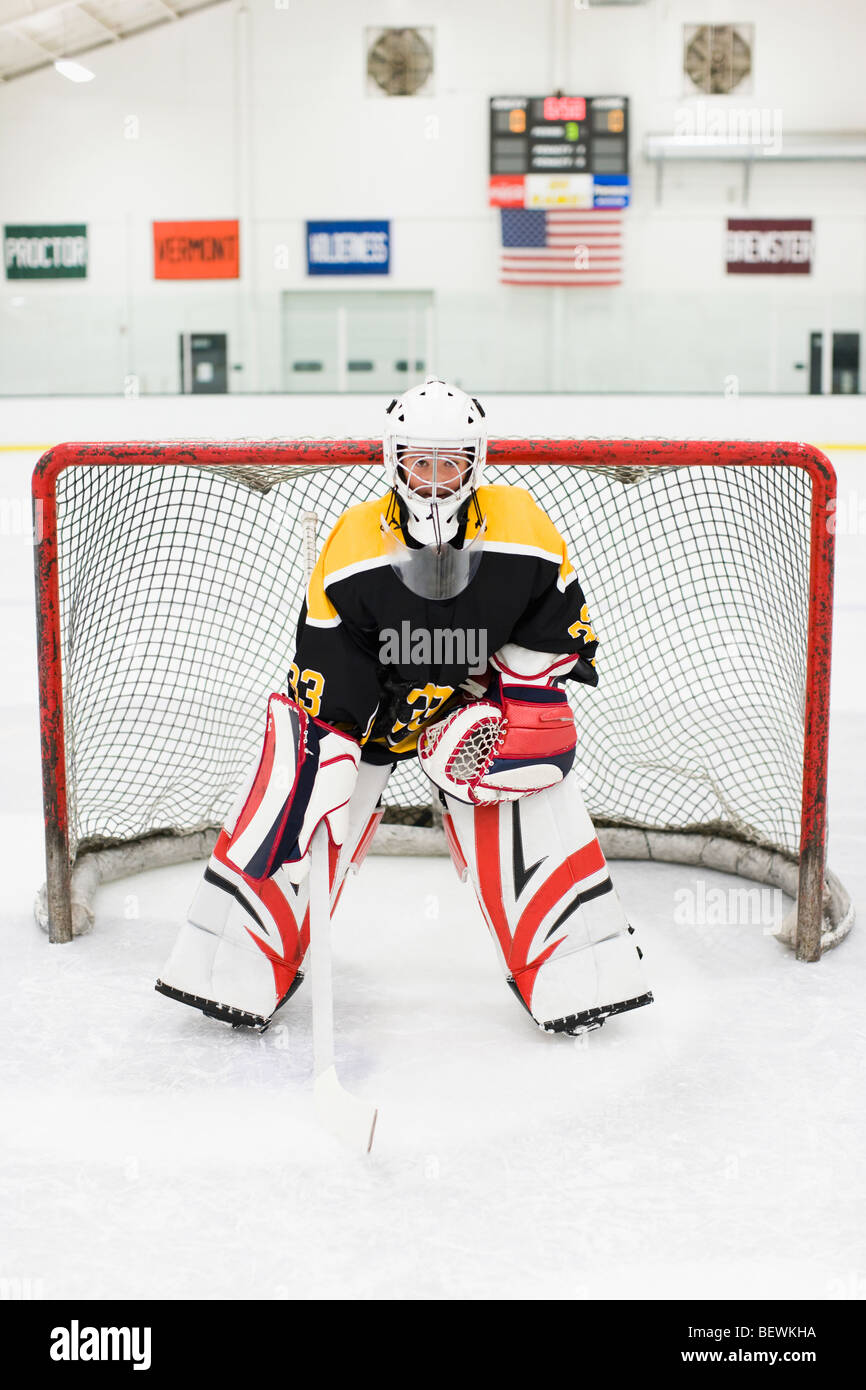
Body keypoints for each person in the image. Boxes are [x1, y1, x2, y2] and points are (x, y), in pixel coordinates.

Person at [156, 380, 652, 1035]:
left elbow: (555, 630)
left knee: (533, 798)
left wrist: (515, 705)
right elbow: (330, 668)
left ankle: (581, 975)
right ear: (395, 460)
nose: (436, 481)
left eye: (451, 464)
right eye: (421, 463)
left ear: (476, 462)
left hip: (473, 716)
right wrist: (328, 756)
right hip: (377, 713)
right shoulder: (354, 543)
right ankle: (231, 967)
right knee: (299, 789)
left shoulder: (524, 526)